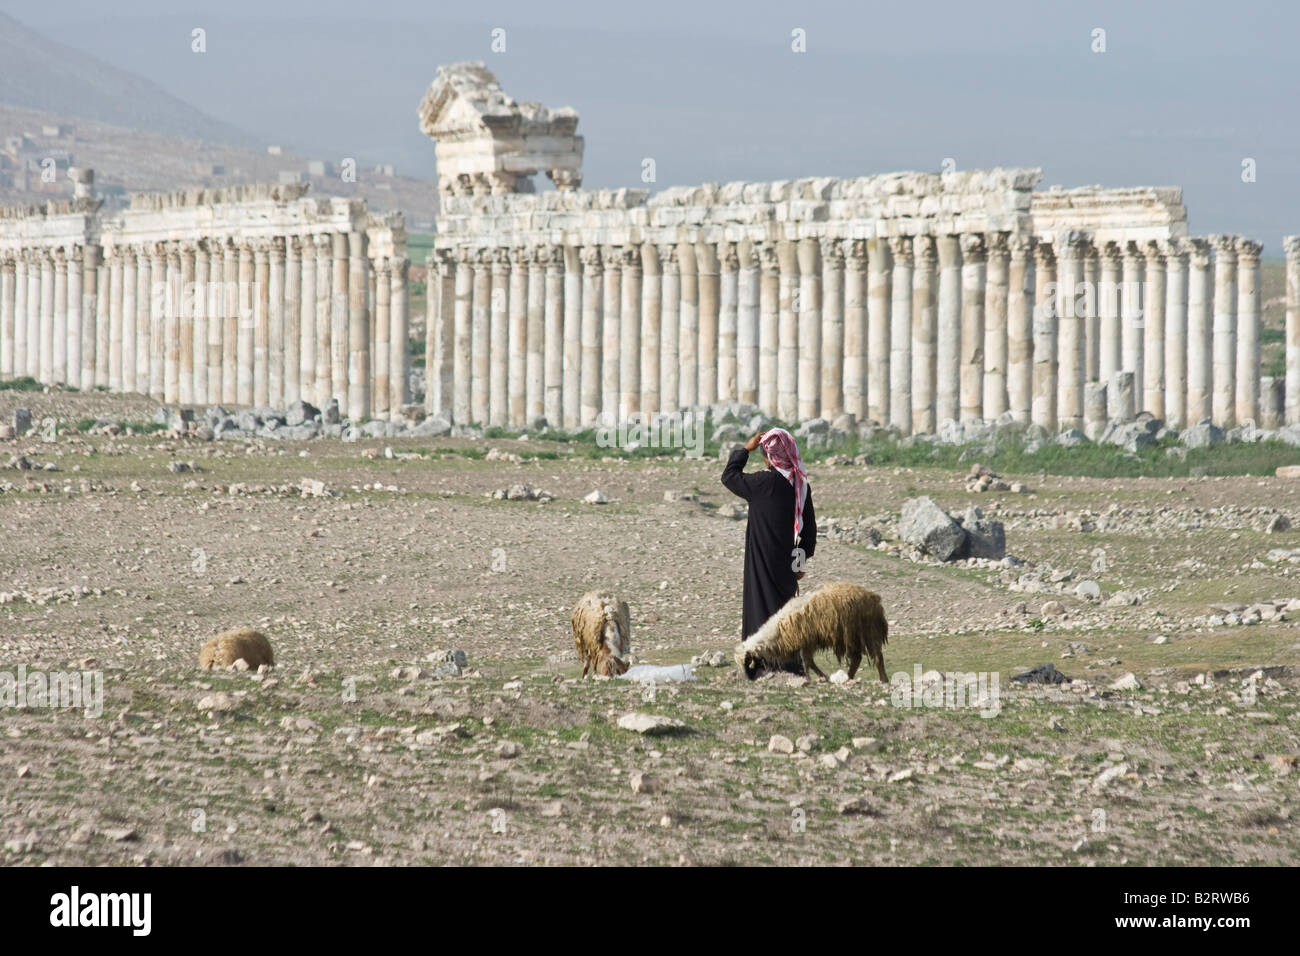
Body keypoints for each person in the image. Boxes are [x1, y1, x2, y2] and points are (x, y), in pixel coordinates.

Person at [721, 427, 817, 674]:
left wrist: (744, 449)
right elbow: (809, 533)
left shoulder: (760, 483)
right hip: (786, 565)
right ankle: (788, 666)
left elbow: (729, 476)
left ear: (768, 457)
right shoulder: (800, 487)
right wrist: (798, 564)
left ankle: (758, 666)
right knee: (784, 612)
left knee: (758, 609)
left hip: (760, 561)